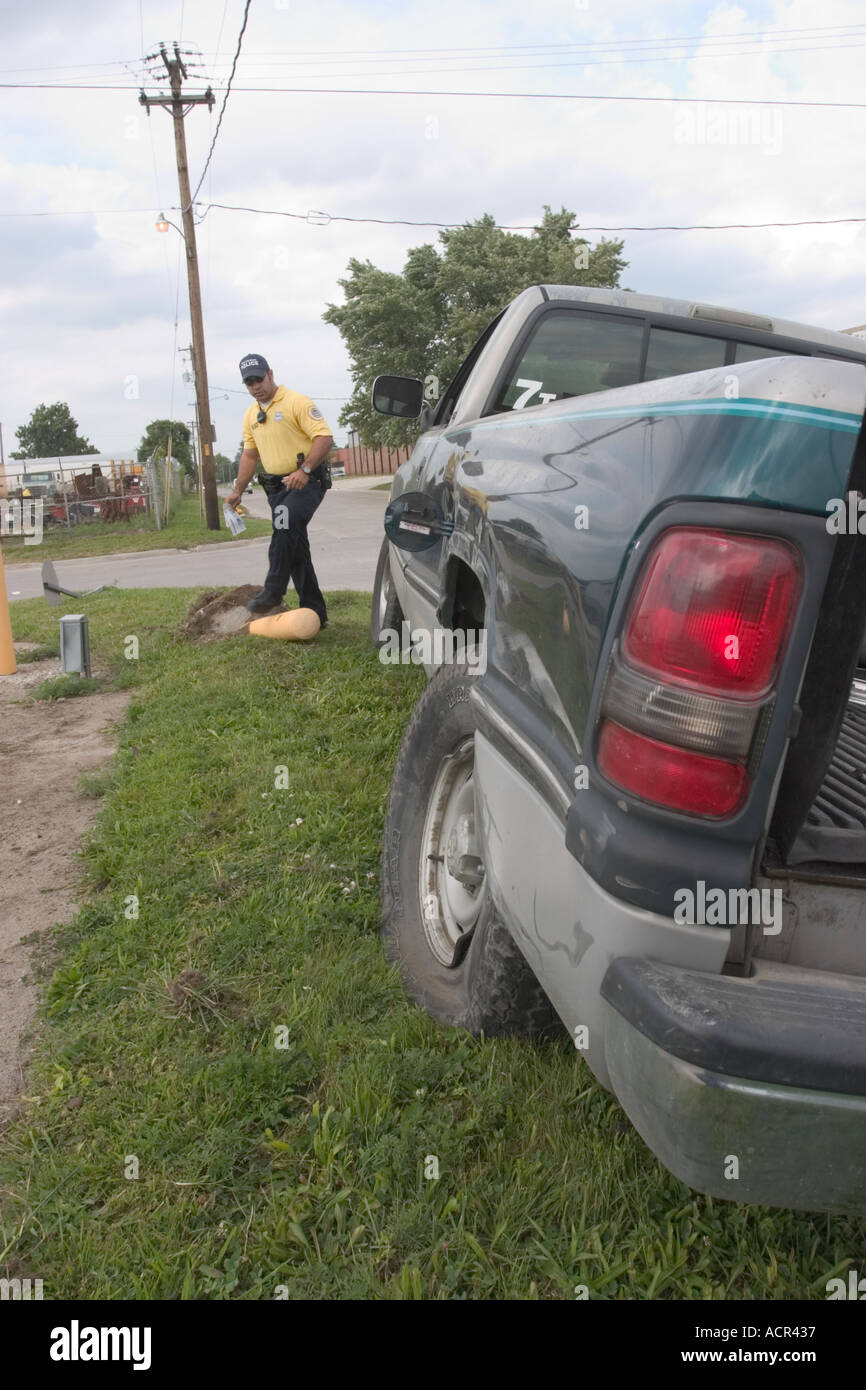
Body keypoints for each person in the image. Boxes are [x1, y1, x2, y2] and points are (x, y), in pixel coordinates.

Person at [226, 353, 333, 621]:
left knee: (284, 525)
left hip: (306, 482)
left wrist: (304, 470)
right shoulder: (251, 414)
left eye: (258, 379)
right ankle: (315, 612)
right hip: (276, 489)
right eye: (249, 383)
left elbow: (324, 437)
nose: (255, 387)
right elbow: (250, 456)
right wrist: (238, 490)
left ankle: (273, 590)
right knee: (295, 549)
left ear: (270, 374)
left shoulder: (297, 401)